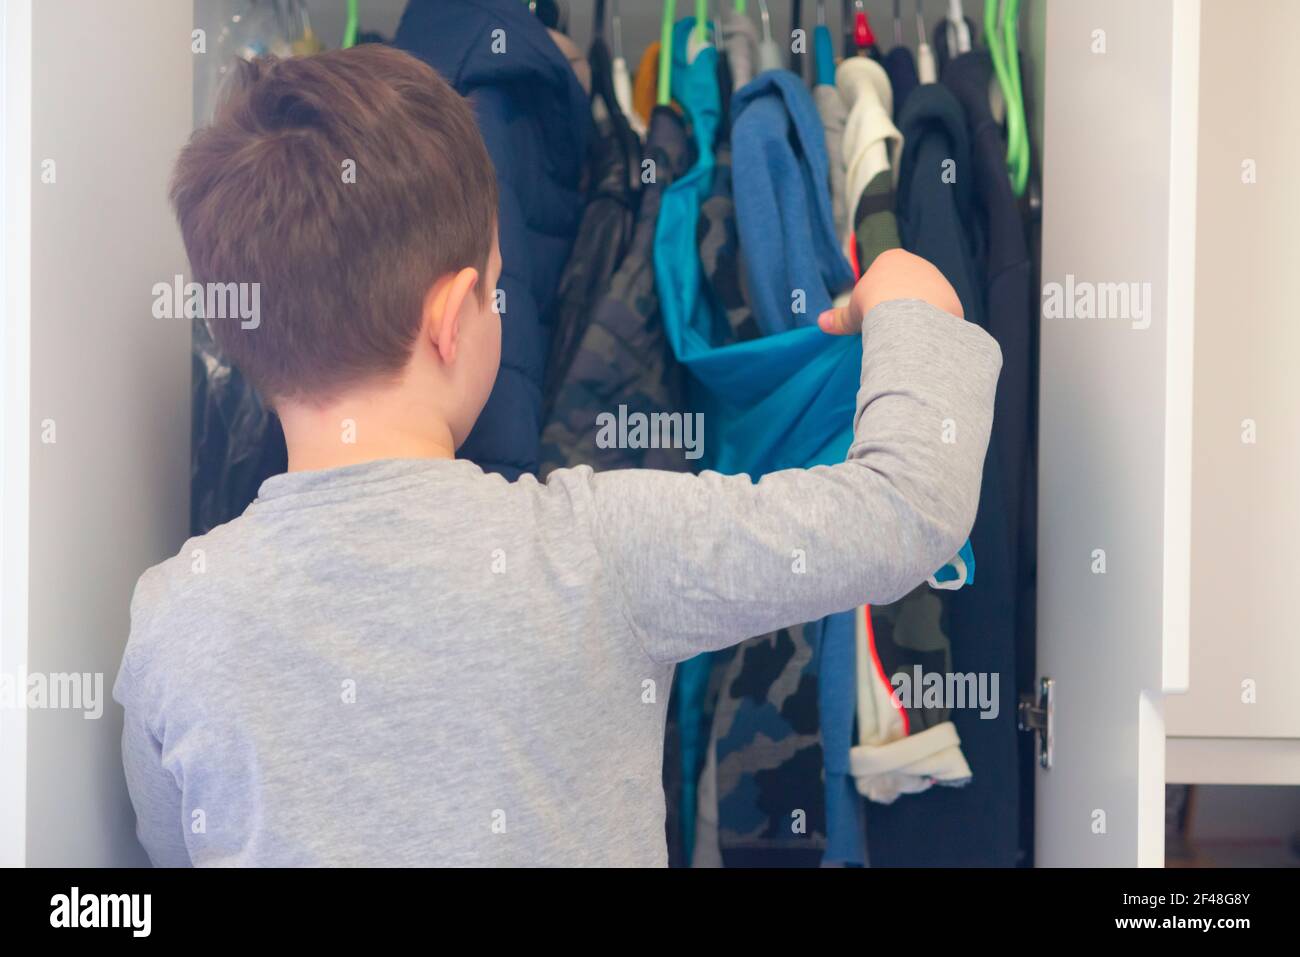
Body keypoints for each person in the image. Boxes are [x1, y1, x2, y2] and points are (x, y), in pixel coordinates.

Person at [115, 44, 1000, 866]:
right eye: (497, 289)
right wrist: (913, 302)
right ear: (451, 318)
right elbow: (905, 509)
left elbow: (177, 844)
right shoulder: (594, 551)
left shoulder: (174, 618)